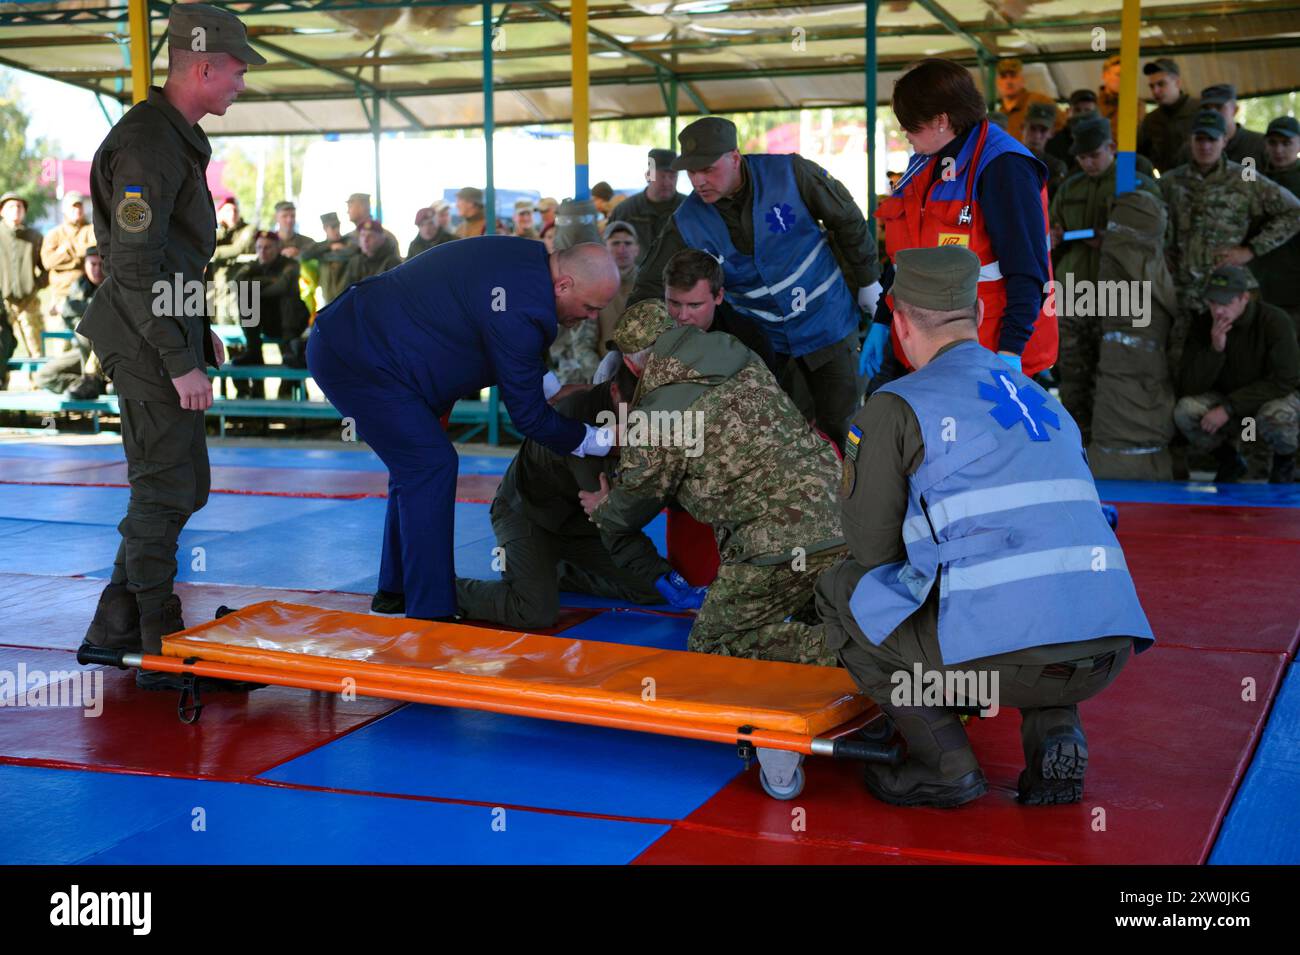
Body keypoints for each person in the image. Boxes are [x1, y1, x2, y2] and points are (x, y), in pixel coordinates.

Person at [816, 246, 1154, 809]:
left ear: (898, 321)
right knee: (1036, 592)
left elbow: (871, 550)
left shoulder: (898, 405)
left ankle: (943, 764)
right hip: (1107, 649)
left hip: (1003, 661)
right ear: (976, 309)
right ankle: (1056, 735)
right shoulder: (1043, 398)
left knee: (842, 590)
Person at [76, 3, 266, 689]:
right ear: (203, 66)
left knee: (185, 484)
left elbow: (164, 258)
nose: (240, 86)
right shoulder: (149, 146)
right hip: (143, 341)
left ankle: (116, 622)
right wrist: (177, 356)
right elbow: (131, 268)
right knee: (163, 486)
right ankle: (160, 638)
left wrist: (194, 324)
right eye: (237, 73)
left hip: (160, 328)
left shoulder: (170, 137)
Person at [307, 239, 621, 621]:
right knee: (430, 465)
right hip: (358, 355)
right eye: (590, 307)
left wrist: (553, 390)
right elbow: (529, 417)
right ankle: (431, 613)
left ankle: (397, 592)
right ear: (564, 285)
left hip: (368, 344)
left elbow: (504, 341)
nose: (590, 318)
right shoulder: (524, 304)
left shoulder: (528, 263)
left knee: (415, 470)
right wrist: (601, 439)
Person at [580, 301, 845, 665]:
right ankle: (850, 672)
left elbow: (633, 504)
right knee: (811, 616)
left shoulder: (656, 417)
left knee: (715, 642)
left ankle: (857, 656)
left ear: (629, 364)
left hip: (778, 538)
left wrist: (603, 509)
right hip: (844, 514)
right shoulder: (739, 354)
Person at [632, 115, 882, 451]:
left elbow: (847, 219)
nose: (698, 180)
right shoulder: (686, 219)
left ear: (734, 157)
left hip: (829, 324)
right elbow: (648, 282)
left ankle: (858, 500)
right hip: (766, 345)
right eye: (691, 172)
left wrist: (868, 280)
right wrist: (632, 339)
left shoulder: (791, 174)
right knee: (781, 434)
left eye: (707, 169)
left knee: (843, 422)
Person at [863, 58, 1058, 388]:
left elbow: (1027, 271)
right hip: (929, 355)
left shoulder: (1005, 168)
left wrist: (1011, 351)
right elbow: (906, 256)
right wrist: (883, 319)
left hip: (988, 356)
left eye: (910, 125)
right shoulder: (922, 164)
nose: (904, 133)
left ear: (941, 120)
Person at [455, 359, 673, 629]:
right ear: (615, 392)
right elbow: (613, 520)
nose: (643, 421)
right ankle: (438, 589)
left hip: (581, 524)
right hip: (528, 515)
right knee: (533, 611)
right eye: (637, 411)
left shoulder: (657, 419)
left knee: (653, 590)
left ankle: (556, 572)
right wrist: (661, 574)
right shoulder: (576, 415)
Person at [1049, 113, 1162, 442]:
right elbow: (1051, 226)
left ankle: (1110, 440)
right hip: (1074, 290)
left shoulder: (1134, 182)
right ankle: (1078, 441)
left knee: (1113, 369)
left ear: (1111, 147)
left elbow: (1152, 233)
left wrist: (1112, 239)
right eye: (1081, 157)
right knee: (1072, 372)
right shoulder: (1070, 186)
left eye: (1094, 154)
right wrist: (1053, 236)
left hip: (1118, 291)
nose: (1088, 162)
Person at [1159, 109, 1300, 320]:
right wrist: (1160, 251)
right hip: (1181, 293)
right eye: (1200, 139)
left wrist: (1251, 250)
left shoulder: (1245, 177)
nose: (1205, 146)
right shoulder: (1170, 182)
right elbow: (1149, 221)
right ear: (1191, 140)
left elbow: (1294, 212)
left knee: (1234, 350)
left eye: (1212, 139)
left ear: (1224, 140)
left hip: (1228, 291)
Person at [1174, 265, 1300, 484]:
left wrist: (1229, 407)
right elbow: (1189, 386)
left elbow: (1286, 380)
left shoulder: (1274, 321)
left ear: (1244, 298)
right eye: (1213, 302)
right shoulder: (1203, 325)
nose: (1218, 311)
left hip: (1267, 400)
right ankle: (1229, 460)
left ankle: (1285, 462)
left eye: (1226, 303)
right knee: (1185, 411)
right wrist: (1214, 350)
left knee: (1277, 416)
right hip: (1231, 405)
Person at [661, 248, 776, 374]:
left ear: (719, 296)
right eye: (674, 303)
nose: (682, 316)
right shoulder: (649, 333)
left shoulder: (750, 343)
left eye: (694, 305)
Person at [229, 230, 310, 396]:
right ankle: (253, 351)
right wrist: (268, 281)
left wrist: (255, 288)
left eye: (268, 248)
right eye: (259, 247)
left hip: (290, 323)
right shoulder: (253, 265)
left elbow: (282, 287)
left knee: (287, 298)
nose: (263, 252)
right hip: (267, 322)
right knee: (245, 296)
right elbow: (237, 283)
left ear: (278, 247)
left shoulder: (290, 264)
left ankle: (290, 350)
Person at [34, 246, 107, 398]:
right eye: (92, 264)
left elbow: (99, 310)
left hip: (107, 353)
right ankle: (92, 385)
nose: (97, 270)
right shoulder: (80, 284)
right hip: (82, 351)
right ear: (85, 265)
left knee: (85, 326)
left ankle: (94, 381)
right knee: (43, 376)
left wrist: (70, 307)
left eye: (101, 265)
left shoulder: (113, 285)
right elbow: (71, 315)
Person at [1251, 116, 1300, 326]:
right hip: (1259, 283)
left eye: (1286, 143)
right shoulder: (1254, 180)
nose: (1279, 150)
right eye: (1273, 143)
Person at [612, 148, 685, 266]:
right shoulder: (625, 211)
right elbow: (609, 248)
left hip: (679, 279)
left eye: (672, 176)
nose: (667, 182)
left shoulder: (689, 209)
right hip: (636, 280)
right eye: (661, 176)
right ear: (648, 176)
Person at [0, 192, 46, 378]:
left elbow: (46, 267)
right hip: (2, 304)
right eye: (11, 206)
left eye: (20, 207)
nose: (16, 211)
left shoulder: (34, 237)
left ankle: (38, 386)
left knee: (35, 347)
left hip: (28, 302)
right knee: (2, 346)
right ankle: (3, 386)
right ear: (2, 211)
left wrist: (35, 285)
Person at [1136, 58, 1200, 175]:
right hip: (1167, 186)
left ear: (1177, 83)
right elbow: (1140, 157)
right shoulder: (1151, 120)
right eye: (1152, 86)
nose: (1156, 91)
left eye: (1161, 84)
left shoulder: (1200, 111)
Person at [40, 192, 96, 324]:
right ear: (64, 210)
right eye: (73, 207)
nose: (77, 210)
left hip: (86, 295)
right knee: (61, 341)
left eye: (79, 206)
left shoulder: (92, 230)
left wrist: (65, 252)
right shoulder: (54, 234)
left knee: (86, 339)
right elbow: (48, 262)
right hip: (60, 294)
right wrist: (80, 257)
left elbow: (95, 254)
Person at [594, 220, 639, 355]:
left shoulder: (651, 284)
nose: (622, 249)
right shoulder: (594, 287)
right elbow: (583, 342)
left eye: (628, 243)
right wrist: (597, 374)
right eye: (615, 243)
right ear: (604, 249)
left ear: (637, 249)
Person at [209, 195, 255, 324]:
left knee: (244, 327)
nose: (233, 214)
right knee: (224, 330)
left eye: (235, 210)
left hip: (242, 288)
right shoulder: (218, 231)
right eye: (228, 211)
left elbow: (238, 248)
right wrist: (220, 228)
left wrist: (213, 253)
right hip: (220, 289)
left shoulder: (248, 229)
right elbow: (205, 243)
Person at [996, 57, 1058, 143]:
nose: (1008, 81)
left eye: (1013, 76)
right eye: (1004, 77)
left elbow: (1060, 129)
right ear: (998, 82)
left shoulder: (1040, 101)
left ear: (1022, 80)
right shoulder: (1001, 112)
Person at [303, 211, 356, 306]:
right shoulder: (321, 247)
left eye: (337, 226)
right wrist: (329, 247)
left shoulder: (348, 242)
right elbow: (304, 256)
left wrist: (325, 256)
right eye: (333, 227)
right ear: (325, 228)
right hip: (328, 298)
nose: (336, 230)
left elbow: (351, 253)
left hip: (347, 296)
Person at [1022, 102, 1069, 200]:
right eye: (1032, 128)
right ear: (1023, 128)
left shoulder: (1056, 167)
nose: (1037, 136)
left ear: (1051, 133)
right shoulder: (1007, 160)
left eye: (1043, 130)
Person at [340, 218, 402, 287]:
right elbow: (346, 291)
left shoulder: (392, 263)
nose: (365, 240)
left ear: (382, 239)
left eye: (371, 236)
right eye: (363, 235)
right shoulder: (355, 262)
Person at [1045, 89, 1098, 169]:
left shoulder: (1102, 143)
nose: (1082, 115)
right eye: (1077, 110)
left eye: (1087, 111)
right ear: (1067, 112)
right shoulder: (1054, 141)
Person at [1097, 53, 1124, 130]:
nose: (1122, 79)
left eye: (1126, 75)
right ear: (1105, 76)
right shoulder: (1093, 107)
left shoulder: (1138, 105)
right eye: (1118, 75)